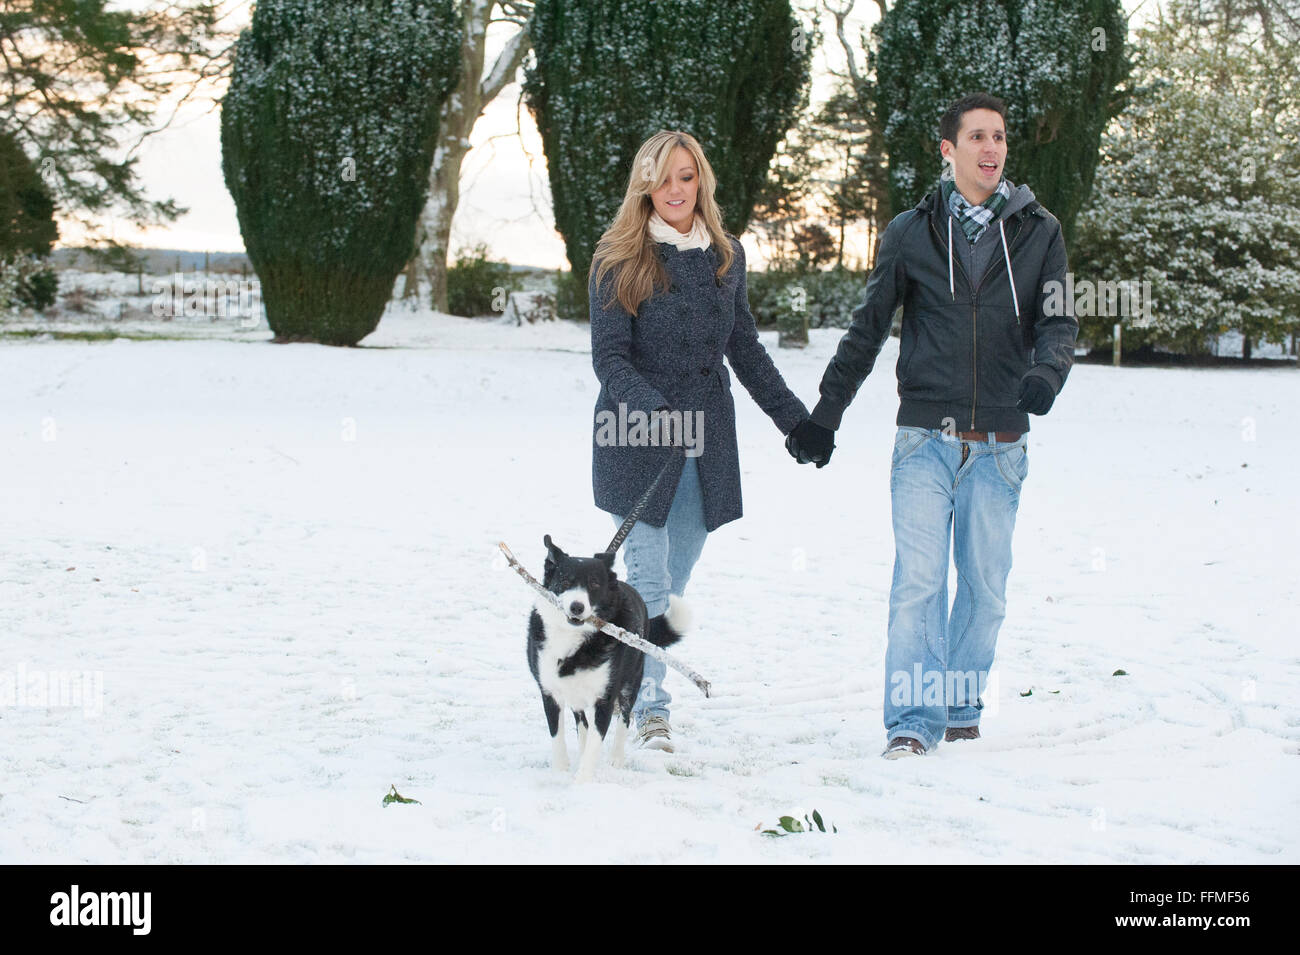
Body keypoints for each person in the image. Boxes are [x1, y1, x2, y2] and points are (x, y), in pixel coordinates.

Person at [786, 92, 1078, 758]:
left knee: (984, 587)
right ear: (948, 151)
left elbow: (1059, 318)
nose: (992, 148)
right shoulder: (909, 233)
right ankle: (914, 721)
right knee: (919, 581)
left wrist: (1047, 372)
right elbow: (867, 330)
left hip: (1002, 444)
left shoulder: (1041, 231)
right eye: (977, 137)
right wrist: (826, 414)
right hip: (923, 441)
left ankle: (959, 702)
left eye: (1000, 136)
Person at [589, 129, 809, 752]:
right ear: (644, 185)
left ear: (701, 182)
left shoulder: (726, 257)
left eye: (686, 176)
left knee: (669, 586)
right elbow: (609, 357)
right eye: (662, 177)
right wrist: (652, 408)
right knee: (649, 577)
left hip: (706, 441)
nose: (675, 189)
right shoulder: (617, 257)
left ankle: (617, 668)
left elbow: (745, 349)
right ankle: (648, 708)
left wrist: (794, 420)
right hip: (635, 436)